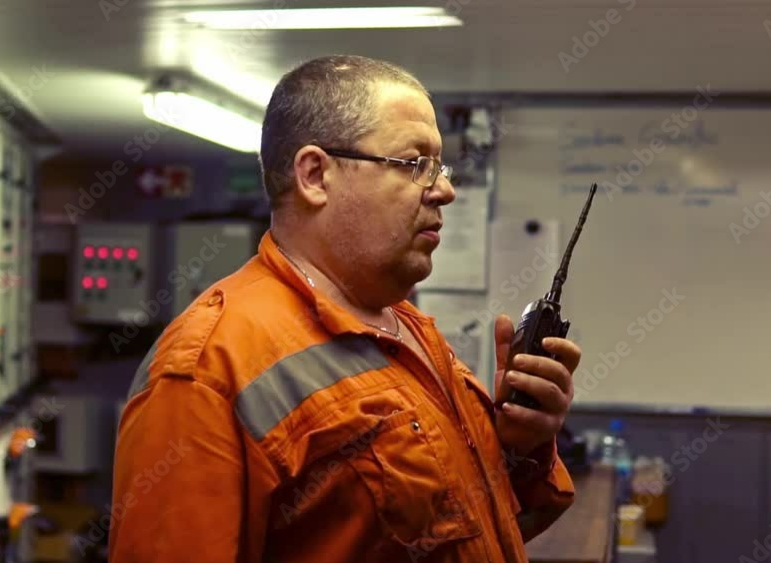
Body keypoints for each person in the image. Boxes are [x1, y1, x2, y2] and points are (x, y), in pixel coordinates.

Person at [109, 54, 582, 563]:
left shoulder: (409, 331)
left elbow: (467, 530)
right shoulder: (207, 372)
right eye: (415, 164)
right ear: (315, 175)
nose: (444, 190)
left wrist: (521, 447)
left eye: (439, 167)